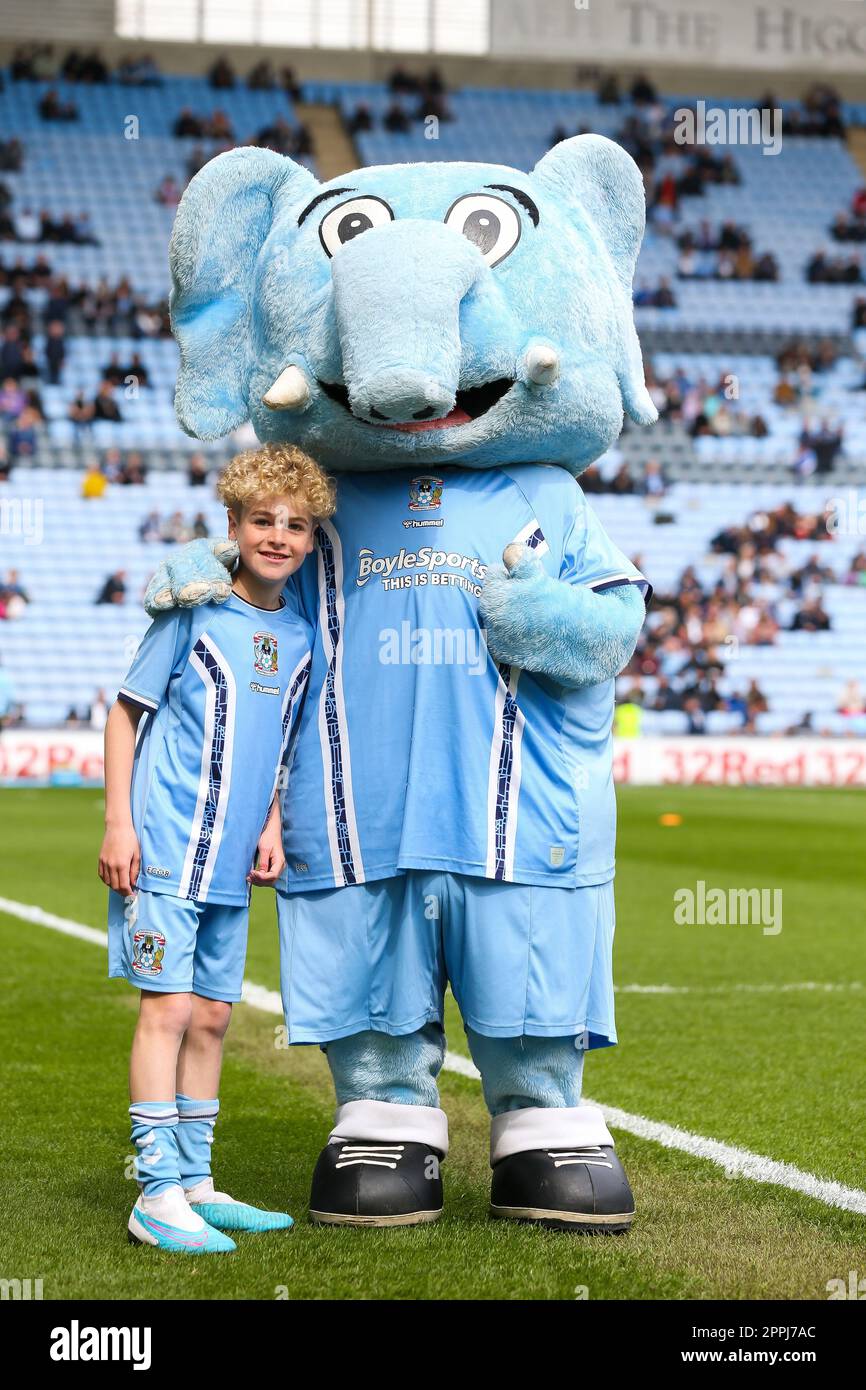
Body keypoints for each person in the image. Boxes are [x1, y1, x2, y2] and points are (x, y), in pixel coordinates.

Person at [98, 443, 333, 1252]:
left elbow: (280, 744)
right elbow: (125, 714)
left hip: (232, 864)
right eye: (263, 519)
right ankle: (155, 1193)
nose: (278, 535)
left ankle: (196, 1181)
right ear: (232, 523)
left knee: (213, 1018)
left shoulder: (303, 636)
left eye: (296, 525)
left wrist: (269, 822)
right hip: (163, 847)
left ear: (309, 540)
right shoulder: (190, 608)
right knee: (164, 1010)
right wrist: (118, 824)